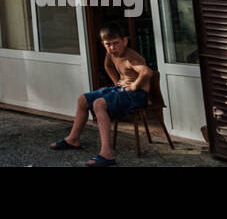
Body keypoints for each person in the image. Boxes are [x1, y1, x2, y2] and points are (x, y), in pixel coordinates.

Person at [48, 22, 152, 166]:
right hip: (121, 90)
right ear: (103, 44)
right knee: (83, 99)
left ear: (125, 41)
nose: (112, 48)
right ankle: (73, 139)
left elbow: (147, 72)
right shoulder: (111, 54)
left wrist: (134, 85)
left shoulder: (131, 57)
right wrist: (116, 81)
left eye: (116, 43)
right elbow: (107, 66)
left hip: (137, 95)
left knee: (99, 104)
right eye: (108, 44)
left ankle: (107, 154)